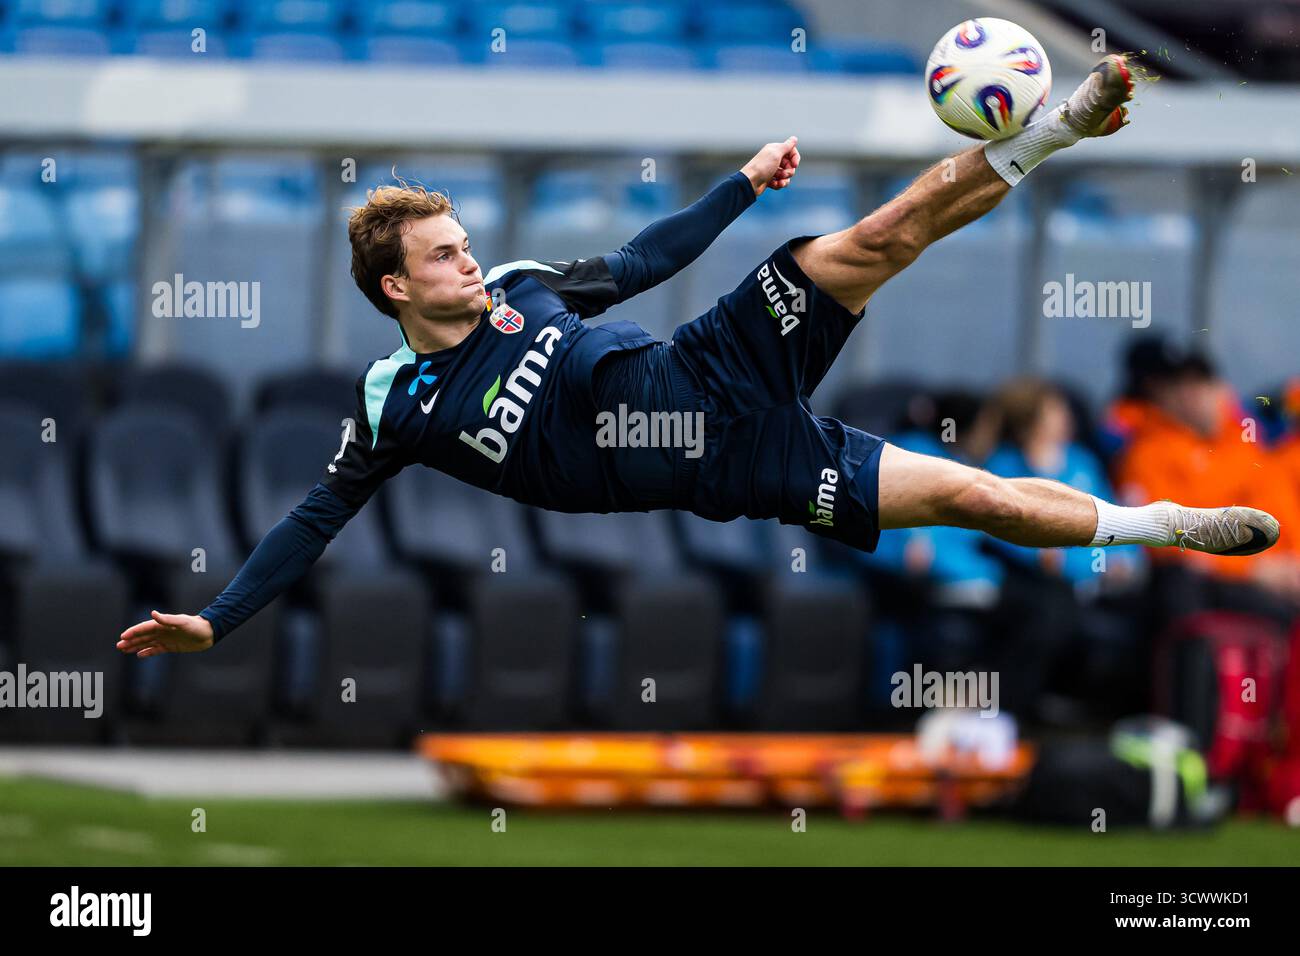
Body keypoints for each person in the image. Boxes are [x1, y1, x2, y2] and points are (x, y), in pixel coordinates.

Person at [118, 54, 1281, 659]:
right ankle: (1154, 524)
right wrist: (217, 617)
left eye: (465, 244)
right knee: (972, 494)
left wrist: (736, 185)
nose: (469, 262)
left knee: (881, 236)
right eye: (443, 255)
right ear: (393, 287)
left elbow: (633, 261)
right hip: (740, 467)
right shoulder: (395, 404)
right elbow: (312, 520)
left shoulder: (521, 288)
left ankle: (1061, 125)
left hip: (706, 366)